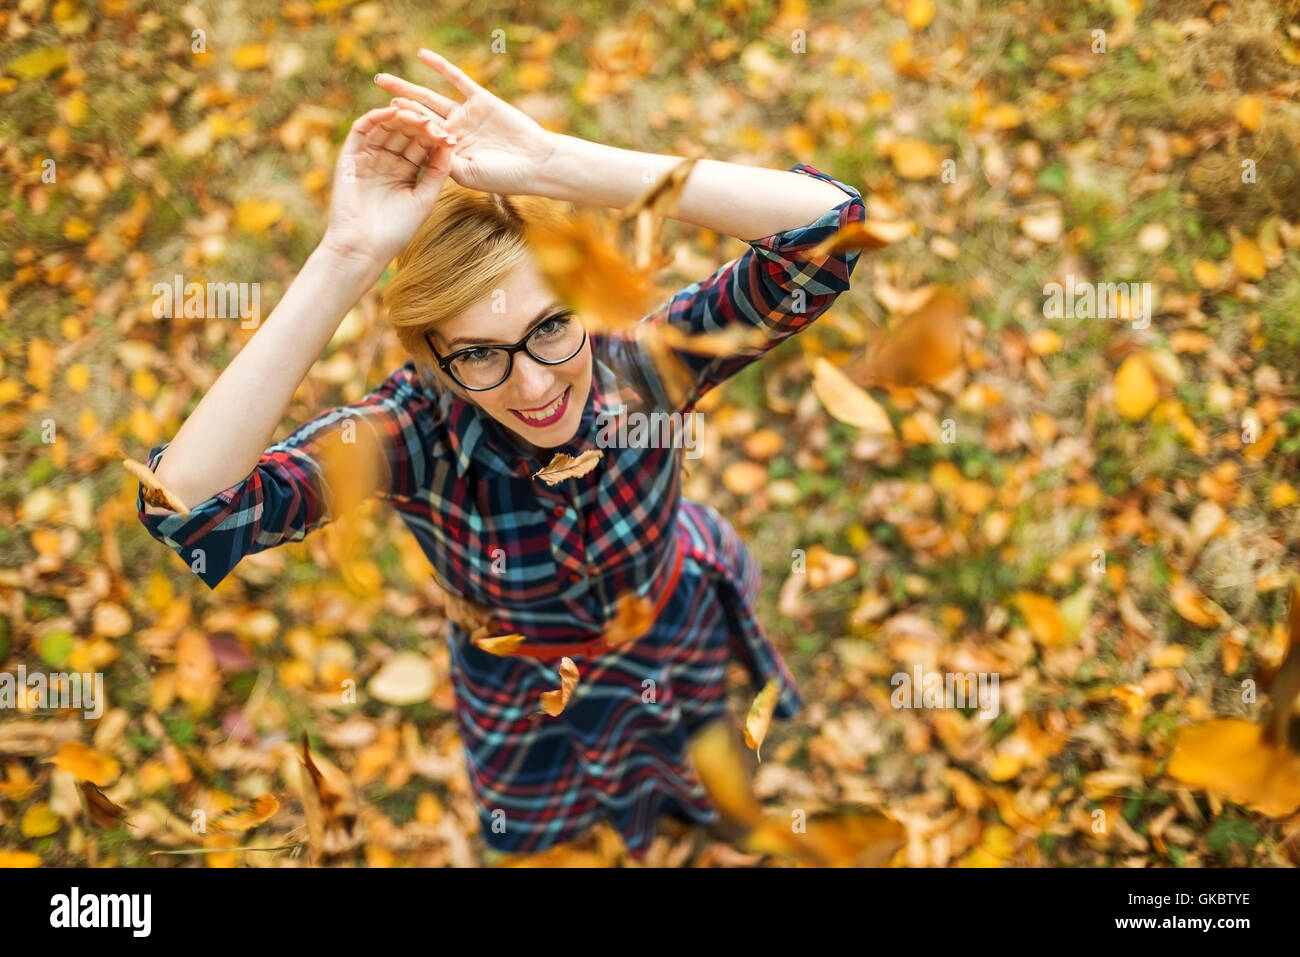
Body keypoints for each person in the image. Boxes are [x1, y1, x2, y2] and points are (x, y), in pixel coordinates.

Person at [134, 48, 867, 863]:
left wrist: (563, 164)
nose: (533, 384)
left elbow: (828, 231)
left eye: (552, 327)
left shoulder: (646, 365)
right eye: (479, 353)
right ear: (429, 357)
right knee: (543, 835)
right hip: (520, 693)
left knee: (703, 782)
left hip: (673, 628)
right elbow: (190, 510)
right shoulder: (413, 436)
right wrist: (346, 256)